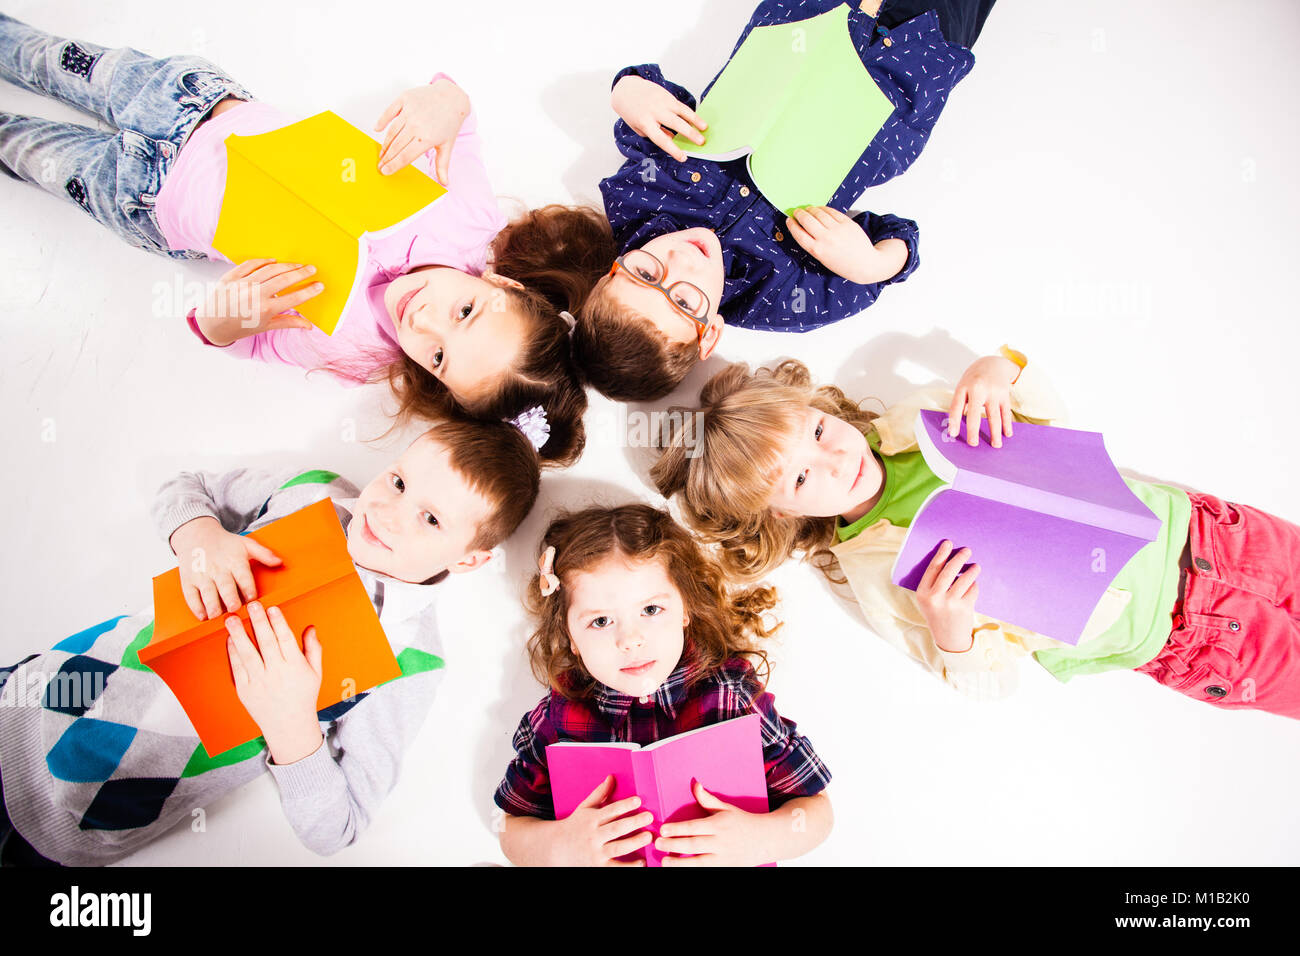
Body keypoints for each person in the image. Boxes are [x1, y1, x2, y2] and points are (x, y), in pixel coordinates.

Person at [0, 13, 603, 464]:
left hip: (145, 202)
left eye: (440, 358)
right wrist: (444, 102)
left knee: (21, 149)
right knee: (41, 56)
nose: (424, 322)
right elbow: (456, 115)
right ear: (499, 281)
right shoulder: (467, 218)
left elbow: (249, 344)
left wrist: (227, 321)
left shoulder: (359, 347)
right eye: (465, 311)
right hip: (192, 101)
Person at [0, 414, 541, 865]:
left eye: (429, 519)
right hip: (27, 695)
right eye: (398, 482)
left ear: (469, 560)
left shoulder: (413, 660)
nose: (387, 513)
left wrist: (292, 727)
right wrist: (202, 538)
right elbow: (186, 487)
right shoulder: (314, 492)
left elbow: (339, 829)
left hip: (76, 819)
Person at [652, 348, 1300, 717]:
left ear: (821, 410)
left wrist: (998, 371)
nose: (835, 460)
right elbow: (992, 683)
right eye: (798, 480)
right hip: (1183, 633)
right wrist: (950, 635)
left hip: (1199, 528)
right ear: (779, 516)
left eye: (818, 432)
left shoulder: (919, 418)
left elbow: (1051, 425)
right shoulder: (876, 572)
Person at [575, 0, 997, 401]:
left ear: (613, 271)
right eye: (685, 302)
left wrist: (627, 91)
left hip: (806, 18)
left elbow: (651, 114)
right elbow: (898, 244)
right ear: (711, 333)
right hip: (906, 65)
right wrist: (872, 264)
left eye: (646, 273)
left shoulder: (635, 202)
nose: (680, 262)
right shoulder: (783, 299)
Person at [494, 504, 832, 866]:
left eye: (651, 610)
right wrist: (559, 847)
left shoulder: (730, 697)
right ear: (570, 637)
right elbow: (508, 828)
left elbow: (817, 812)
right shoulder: (558, 718)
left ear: (684, 609)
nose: (630, 639)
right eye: (601, 621)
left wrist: (760, 841)